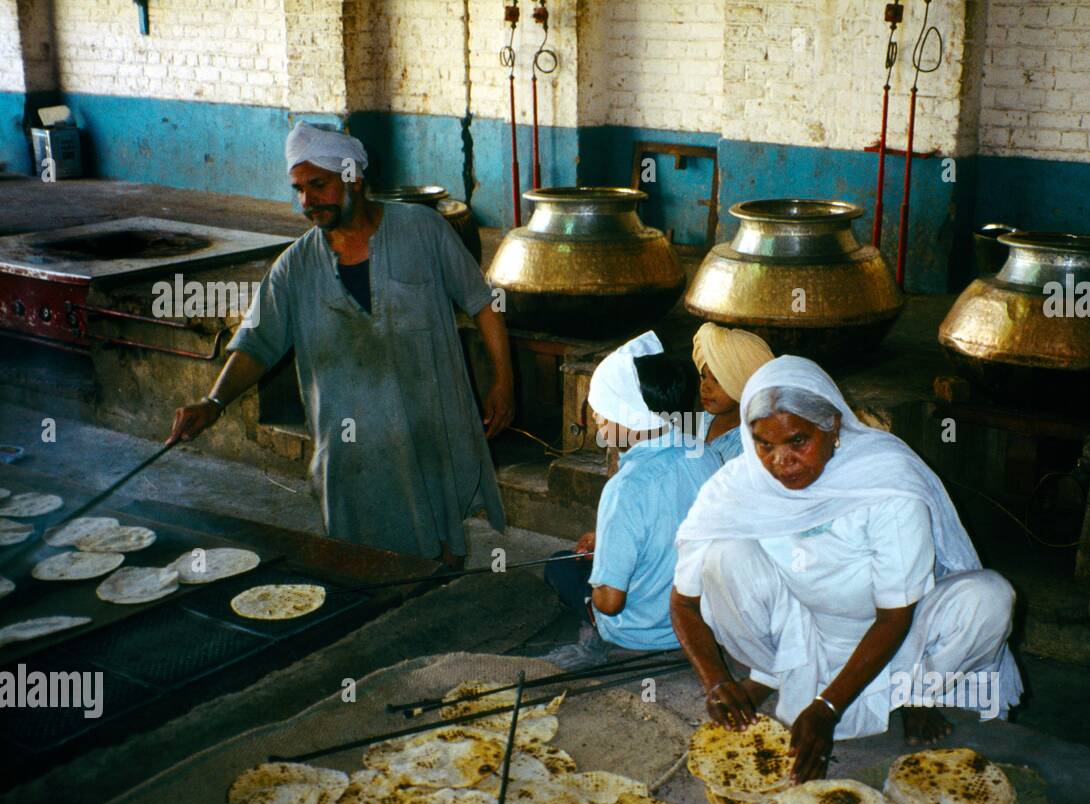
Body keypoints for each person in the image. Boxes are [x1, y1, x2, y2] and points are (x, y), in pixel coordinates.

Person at [168, 122, 513, 568]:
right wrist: (212, 402)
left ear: (353, 177)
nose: (308, 201)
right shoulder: (295, 267)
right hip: (351, 447)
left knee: (441, 549)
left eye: (319, 184)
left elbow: (482, 302)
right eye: (299, 189)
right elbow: (256, 343)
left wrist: (504, 382)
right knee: (362, 556)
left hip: (427, 425)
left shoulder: (421, 229)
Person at [670, 355, 1022, 783]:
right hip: (801, 624)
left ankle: (911, 694)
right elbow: (683, 602)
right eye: (765, 444)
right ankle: (774, 672)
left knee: (989, 598)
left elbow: (895, 616)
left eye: (798, 440)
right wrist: (715, 682)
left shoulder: (884, 479)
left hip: (901, 630)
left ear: (833, 426)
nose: (782, 461)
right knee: (721, 557)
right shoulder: (738, 486)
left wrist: (827, 709)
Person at [543, 331, 721, 669]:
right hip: (699, 622)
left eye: (603, 411)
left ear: (631, 418)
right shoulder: (706, 455)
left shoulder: (625, 488)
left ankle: (598, 635)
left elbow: (609, 601)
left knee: (559, 565)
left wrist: (603, 567)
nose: (596, 418)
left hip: (641, 633)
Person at [691, 322, 774, 462]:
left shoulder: (749, 446)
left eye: (717, 380)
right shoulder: (702, 420)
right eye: (703, 376)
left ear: (741, 383)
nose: (704, 387)